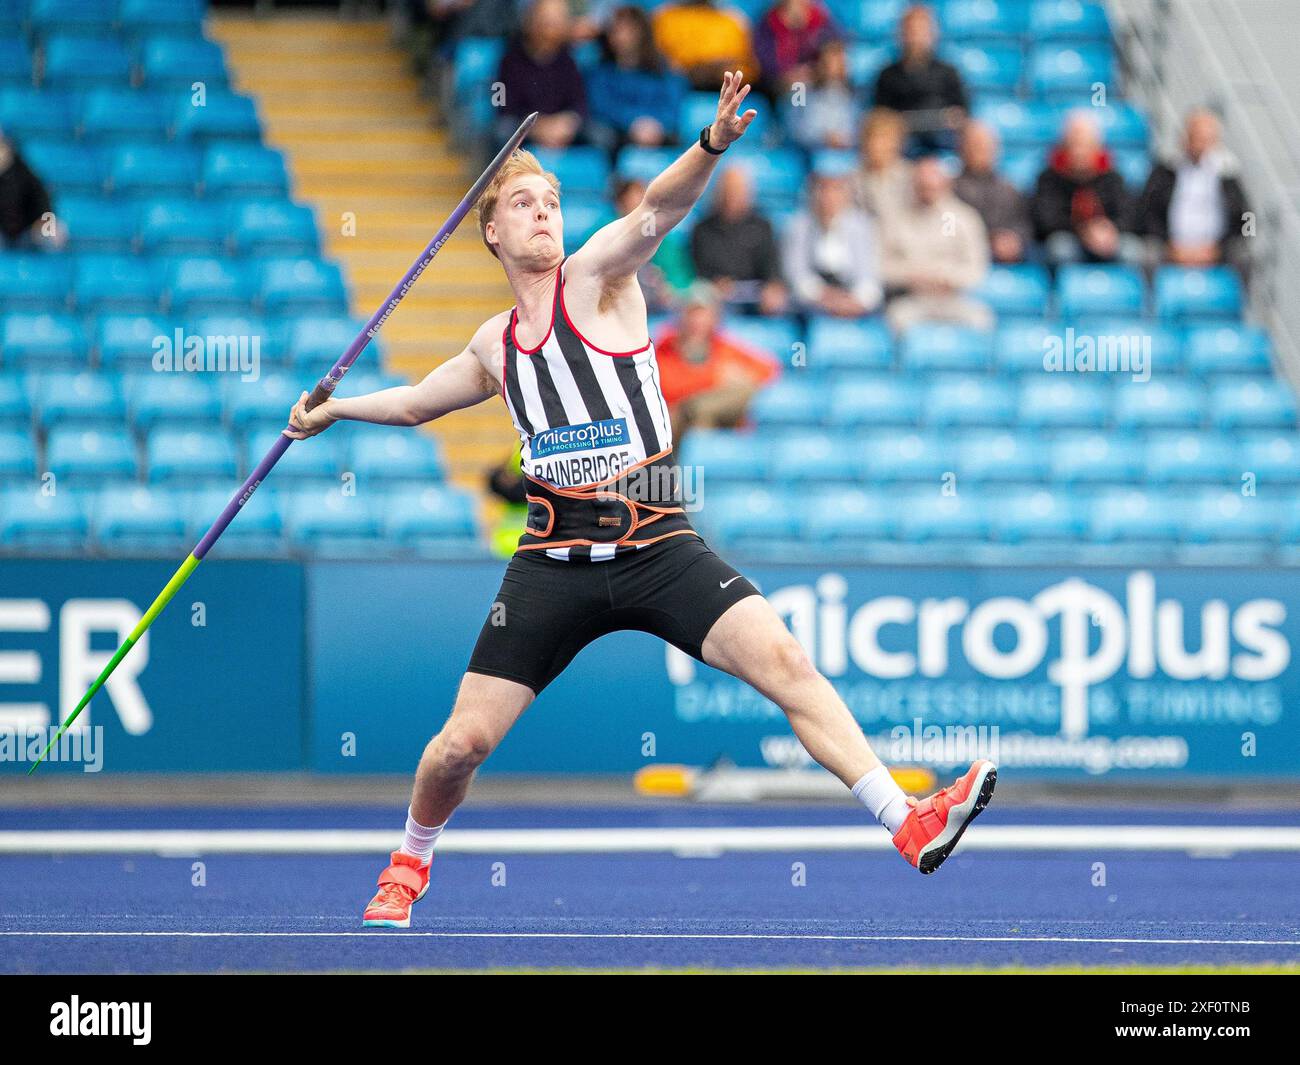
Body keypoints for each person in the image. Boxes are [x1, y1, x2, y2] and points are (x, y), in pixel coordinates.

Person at [285, 72, 997, 927]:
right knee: (461, 743)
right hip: (553, 560)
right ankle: (409, 859)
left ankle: (906, 819)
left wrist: (710, 146)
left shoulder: (598, 275)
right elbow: (412, 402)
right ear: (490, 230)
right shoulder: (493, 343)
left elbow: (658, 210)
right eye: (523, 203)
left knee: (789, 666)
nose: (544, 210)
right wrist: (332, 409)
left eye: (550, 198)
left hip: (659, 541)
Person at [654, 280, 780, 439]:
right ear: (681, 316)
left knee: (742, 391)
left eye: (704, 314)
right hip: (676, 424)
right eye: (692, 313)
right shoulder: (665, 346)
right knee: (697, 415)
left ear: (715, 318)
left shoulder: (722, 345)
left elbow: (768, 368)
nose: (697, 321)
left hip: (718, 421)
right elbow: (668, 386)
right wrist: (714, 378)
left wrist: (738, 376)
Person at [880, 156, 991, 332]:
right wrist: (912, 275)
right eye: (922, 187)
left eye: (933, 188)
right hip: (912, 298)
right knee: (896, 318)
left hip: (954, 298)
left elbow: (976, 269)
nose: (927, 192)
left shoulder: (964, 219)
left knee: (981, 319)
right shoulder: (896, 219)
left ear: (946, 185)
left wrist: (948, 277)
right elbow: (882, 266)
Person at [1135, 108, 1250, 271]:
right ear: (1184, 138)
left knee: (1245, 255)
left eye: (1206, 139)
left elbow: (1245, 217)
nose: (1200, 144)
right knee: (1146, 254)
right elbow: (1145, 213)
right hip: (1169, 248)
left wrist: (1218, 249)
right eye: (1196, 137)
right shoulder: (1165, 170)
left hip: (1216, 251)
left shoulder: (1228, 173)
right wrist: (1169, 245)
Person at [1030, 110, 1139, 266]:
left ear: (1097, 147)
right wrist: (1085, 232)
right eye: (1074, 144)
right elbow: (1046, 221)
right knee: (1060, 248)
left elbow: (1129, 215)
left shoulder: (1112, 177)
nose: (1079, 151)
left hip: (1108, 240)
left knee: (1132, 250)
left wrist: (1110, 229)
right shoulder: (1049, 178)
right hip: (1072, 239)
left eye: (1085, 145)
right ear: (1064, 146)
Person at [586, 5, 687, 154]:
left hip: (659, 134)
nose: (623, 37)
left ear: (643, 32)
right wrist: (633, 123)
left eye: (630, 30)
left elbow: (673, 105)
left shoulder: (664, 71)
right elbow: (601, 107)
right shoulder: (601, 73)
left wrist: (656, 125)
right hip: (620, 137)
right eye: (617, 30)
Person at [689, 164, 789, 315]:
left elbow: (772, 267)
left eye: (738, 191)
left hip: (755, 297)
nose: (733, 197)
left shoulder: (762, 226)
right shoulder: (702, 229)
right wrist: (715, 285)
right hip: (716, 299)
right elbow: (697, 271)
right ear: (719, 193)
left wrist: (773, 286)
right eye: (729, 191)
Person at [871, 4, 968, 154]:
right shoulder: (887, 75)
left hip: (942, 147)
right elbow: (881, 119)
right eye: (911, 30)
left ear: (933, 34)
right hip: (899, 149)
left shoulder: (949, 72)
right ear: (901, 34)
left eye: (921, 30)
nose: (916, 37)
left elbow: (962, 115)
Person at [783, 170, 882, 317]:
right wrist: (825, 297)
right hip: (812, 305)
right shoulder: (799, 226)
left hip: (852, 301)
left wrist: (855, 301)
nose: (829, 197)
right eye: (824, 190)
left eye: (836, 190)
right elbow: (796, 273)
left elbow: (868, 274)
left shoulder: (861, 227)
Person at [493, 0, 588, 150]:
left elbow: (580, 103)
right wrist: (536, 127)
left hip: (560, 127)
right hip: (524, 128)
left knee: (598, 135)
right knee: (501, 131)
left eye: (556, 20)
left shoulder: (570, 61)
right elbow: (500, 105)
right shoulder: (508, 60)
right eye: (546, 20)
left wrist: (567, 123)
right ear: (531, 21)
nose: (550, 27)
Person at [953, 120, 1031, 265]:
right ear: (962, 148)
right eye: (975, 145)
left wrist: (1014, 239)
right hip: (963, 259)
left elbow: (1023, 223)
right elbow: (947, 230)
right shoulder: (950, 190)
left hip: (1005, 259)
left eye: (986, 146)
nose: (981, 151)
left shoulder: (1009, 188)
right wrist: (988, 241)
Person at [613, 176, 694, 313]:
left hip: (661, 300)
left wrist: (670, 289)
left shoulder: (657, 231)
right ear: (620, 203)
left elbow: (678, 274)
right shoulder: (605, 231)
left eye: (642, 199)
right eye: (632, 199)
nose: (638, 204)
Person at [652, 0, 757, 90]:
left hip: (724, 84)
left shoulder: (735, 20)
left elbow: (747, 67)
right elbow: (659, 61)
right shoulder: (664, 17)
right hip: (681, 87)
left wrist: (720, 69)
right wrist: (693, 70)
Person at [782, 37, 860, 152]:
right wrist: (823, 138)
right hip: (809, 154)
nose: (833, 68)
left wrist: (846, 138)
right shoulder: (799, 90)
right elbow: (794, 128)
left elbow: (859, 127)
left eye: (839, 62)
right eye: (828, 62)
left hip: (846, 153)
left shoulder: (855, 93)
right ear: (818, 64)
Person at [754, 0, 840, 99]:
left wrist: (815, 72)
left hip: (817, 82)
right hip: (780, 88)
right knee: (797, 92)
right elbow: (765, 64)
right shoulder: (768, 24)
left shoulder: (821, 19)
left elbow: (835, 51)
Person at [0, 131, 64, 250]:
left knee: (50, 234)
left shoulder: (21, 171)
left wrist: (46, 221)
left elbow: (42, 198)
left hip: (24, 232)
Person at [855, 108, 913, 219]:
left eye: (886, 138)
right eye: (873, 138)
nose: (877, 146)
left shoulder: (911, 176)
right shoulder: (852, 179)